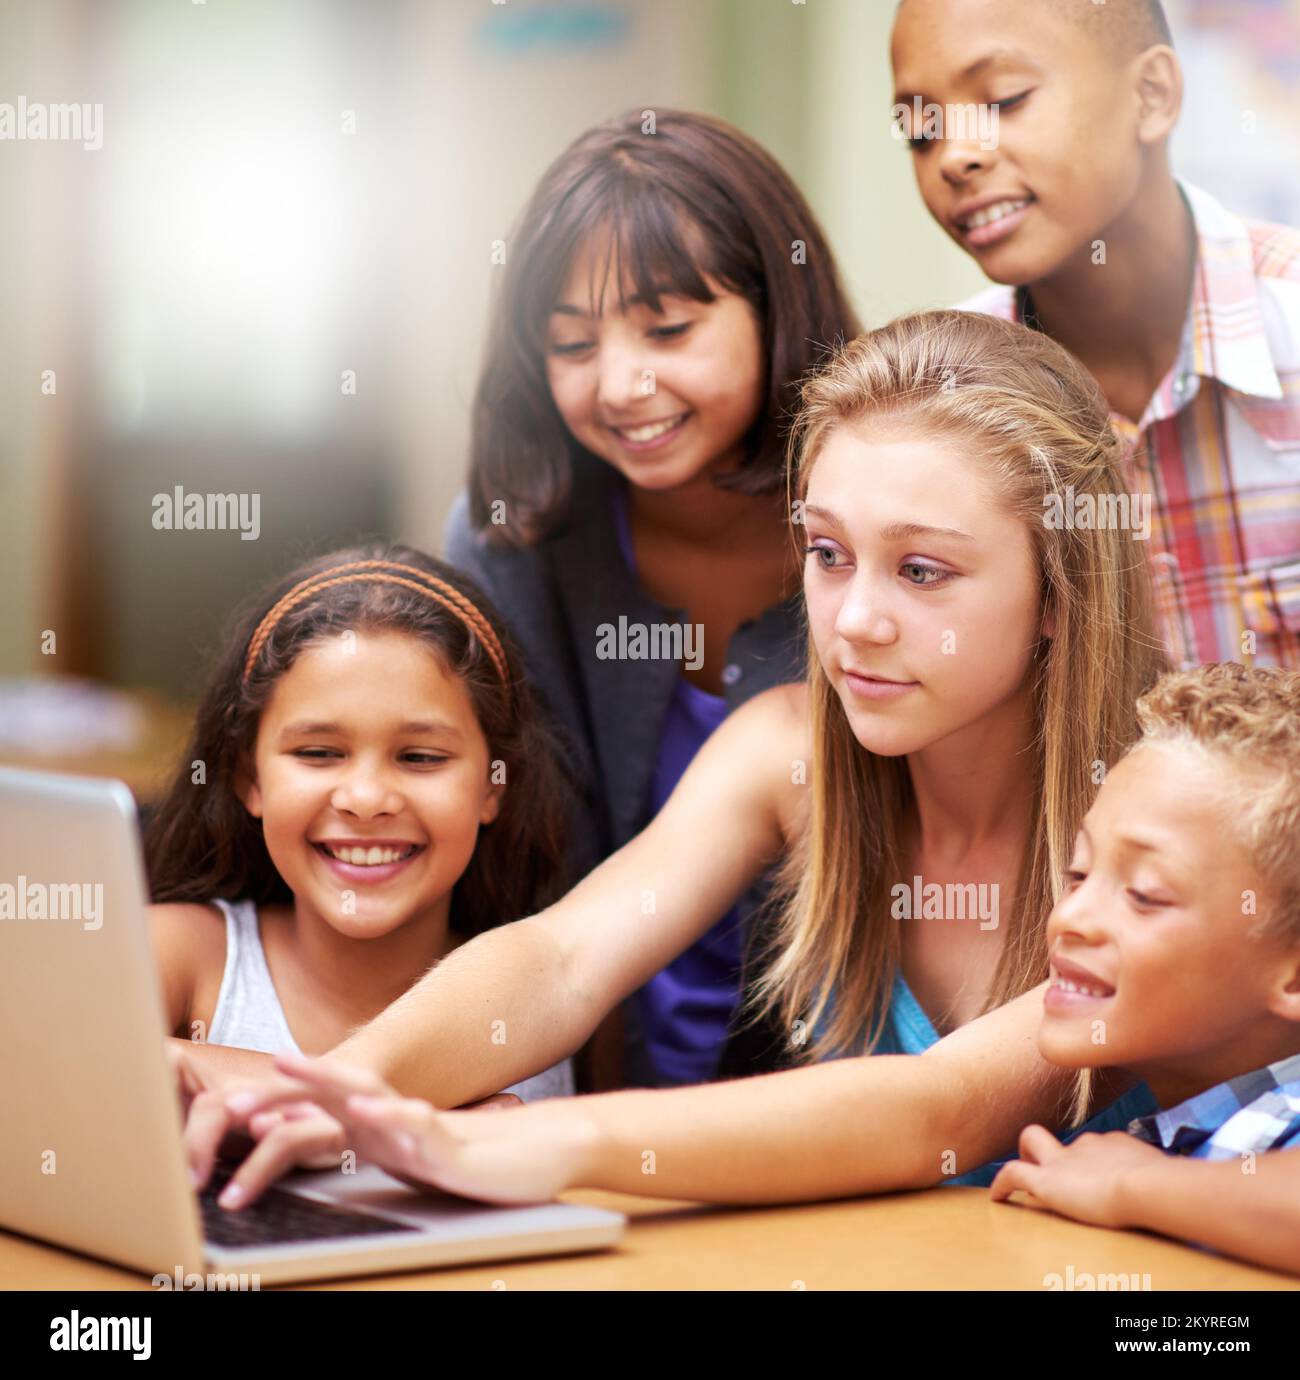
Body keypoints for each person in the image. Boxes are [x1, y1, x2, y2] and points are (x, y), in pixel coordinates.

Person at [185, 311, 1172, 1212]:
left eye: (921, 570)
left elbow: (940, 1110)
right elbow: (564, 958)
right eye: (826, 555)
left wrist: (535, 1140)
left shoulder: (1164, 824)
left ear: (1057, 591)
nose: (855, 622)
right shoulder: (787, 749)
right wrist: (352, 1089)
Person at [445, 108, 861, 1087]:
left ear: (776, 307)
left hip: (837, 1097)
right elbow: (523, 879)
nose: (621, 385)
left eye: (667, 328)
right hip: (575, 1083)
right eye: (572, 344)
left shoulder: (884, 520)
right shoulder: (517, 538)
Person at [890, 0, 1300, 668]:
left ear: (1152, 95)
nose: (954, 157)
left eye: (1004, 100)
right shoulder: (940, 402)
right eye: (920, 130)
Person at [146, 544, 577, 1140]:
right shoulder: (185, 953)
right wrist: (409, 1121)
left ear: (493, 784)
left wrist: (200, 1076)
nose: (367, 797)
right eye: (318, 753)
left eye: (421, 757)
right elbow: (61, 1055)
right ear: (251, 779)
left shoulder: (540, 992)